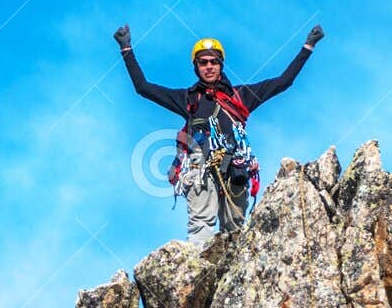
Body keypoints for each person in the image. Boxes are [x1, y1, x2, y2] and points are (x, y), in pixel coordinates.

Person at [116, 23, 324, 240]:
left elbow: (283, 81)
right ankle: (199, 268)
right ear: (196, 67)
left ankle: (232, 266)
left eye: (214, 62)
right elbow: (143, 87)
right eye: (203, 62)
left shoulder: (241, 96)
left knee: (234, 226)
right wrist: (126, 50)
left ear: (221, 65)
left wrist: (308, 46)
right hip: (200, 165)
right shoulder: (188, 98)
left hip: (235, 164)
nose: (209, 67)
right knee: (201, 221)